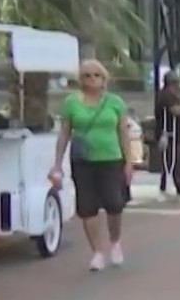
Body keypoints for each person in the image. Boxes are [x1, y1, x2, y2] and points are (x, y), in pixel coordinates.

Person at [49, 59, 139, 272]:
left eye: (97, 75)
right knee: (87, 207)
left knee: (114, 203)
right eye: (87, 75)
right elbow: (64, 133)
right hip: (83, 161)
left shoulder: (115, 102)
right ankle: (97, 251)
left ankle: (115, 241)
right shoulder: (71, 102)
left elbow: (123, 133)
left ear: (104, 78)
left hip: (111, 159)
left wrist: (129, 161)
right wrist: (57, 163)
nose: (92, 79)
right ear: (80, 79)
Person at [153, 71, 180, 197]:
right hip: (171, 135)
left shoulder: (170, 95)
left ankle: (168, 184)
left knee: (172, 160)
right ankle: (178, 185)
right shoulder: (166, 96)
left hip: (176, 135)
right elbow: (175, 111)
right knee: (174, 161)